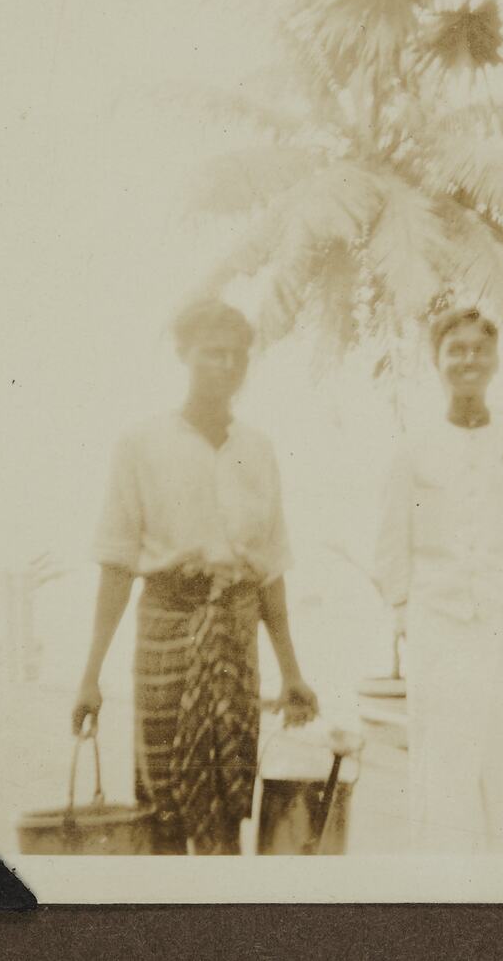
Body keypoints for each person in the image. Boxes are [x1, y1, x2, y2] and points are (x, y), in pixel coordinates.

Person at [72, 300, 318, 855]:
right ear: (183, 354)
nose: (226, 365)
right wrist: (90, 676)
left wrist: (292, 672)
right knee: (162, 800)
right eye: (212, 352)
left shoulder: (258, 450)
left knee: (232, 799)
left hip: (236, 636)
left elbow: (270, 571)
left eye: (238, 355)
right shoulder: (140, 445)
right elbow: (116, 564)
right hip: (168, 629)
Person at [373, 307, 503, 853]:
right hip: (438, 624)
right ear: (437, 362)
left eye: (479, 349)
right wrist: (405, 609)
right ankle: (442, 890)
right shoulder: (414, 447)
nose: (468, 359)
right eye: (456, 349)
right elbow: (391, 537)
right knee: (441, 761)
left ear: (496, 361)